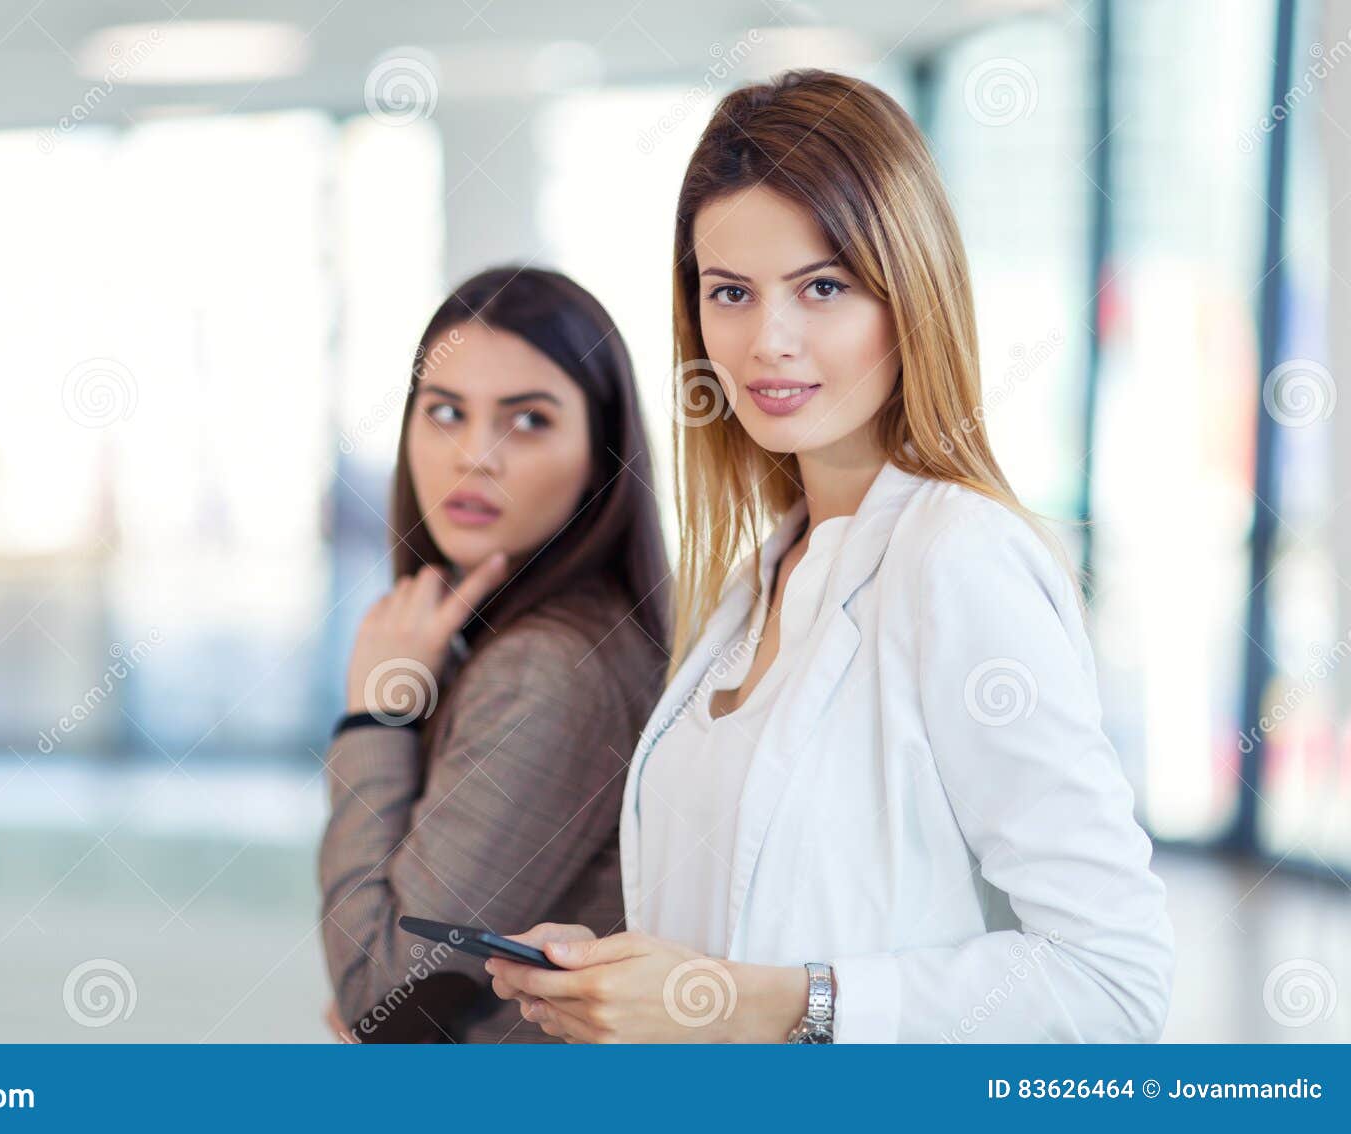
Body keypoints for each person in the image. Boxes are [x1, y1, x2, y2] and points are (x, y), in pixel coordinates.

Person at [486, 70, 1175, 1044]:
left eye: (823, 287)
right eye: (731, 292)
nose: (768, 342)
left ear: (910, 297)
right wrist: (616, 978)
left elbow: (1113, 983)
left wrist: (755, 1006)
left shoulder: (957, 559)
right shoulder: (760, 577)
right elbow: (748, 921)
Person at [317, 266, 670, 1042]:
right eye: (446, 412)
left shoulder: (548, 668)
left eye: (529, 420)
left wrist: (375, 717)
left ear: (602, 454)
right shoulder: (526, 640)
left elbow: (381, 1000)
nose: (476, 457)